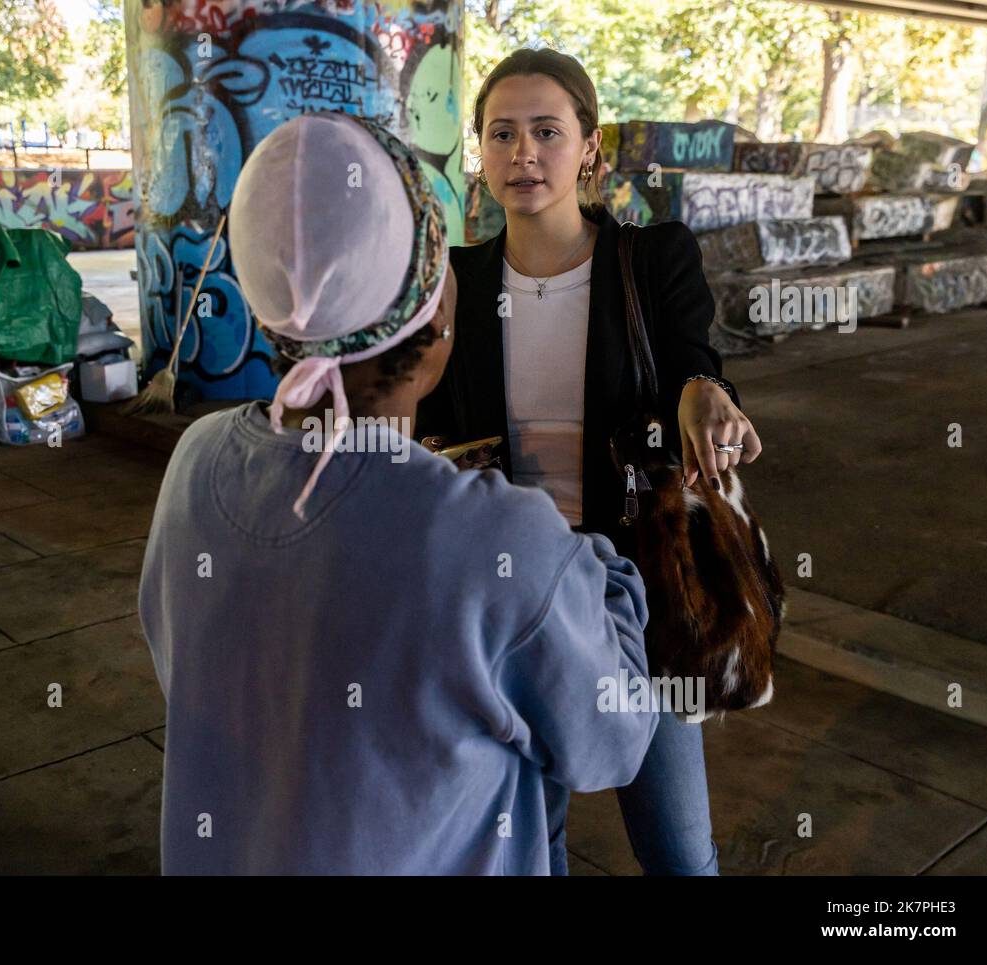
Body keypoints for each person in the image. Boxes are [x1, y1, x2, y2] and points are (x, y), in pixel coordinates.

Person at [138, 110, 659, 875]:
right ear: (439, 307)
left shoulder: (196, 463)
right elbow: (612, 742)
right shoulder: (501, 540)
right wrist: (601, 576)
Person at [418, 47, 765, 876]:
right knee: (525, 848)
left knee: (679, 850)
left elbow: (692, 359)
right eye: (500, 134)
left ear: (590, 145)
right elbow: (429, 424)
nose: (522, 154)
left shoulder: (652, 259)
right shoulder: (457, 279)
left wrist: (701, 392)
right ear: (481, 152)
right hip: (506, 594)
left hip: (641, 586)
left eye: (546, 130)